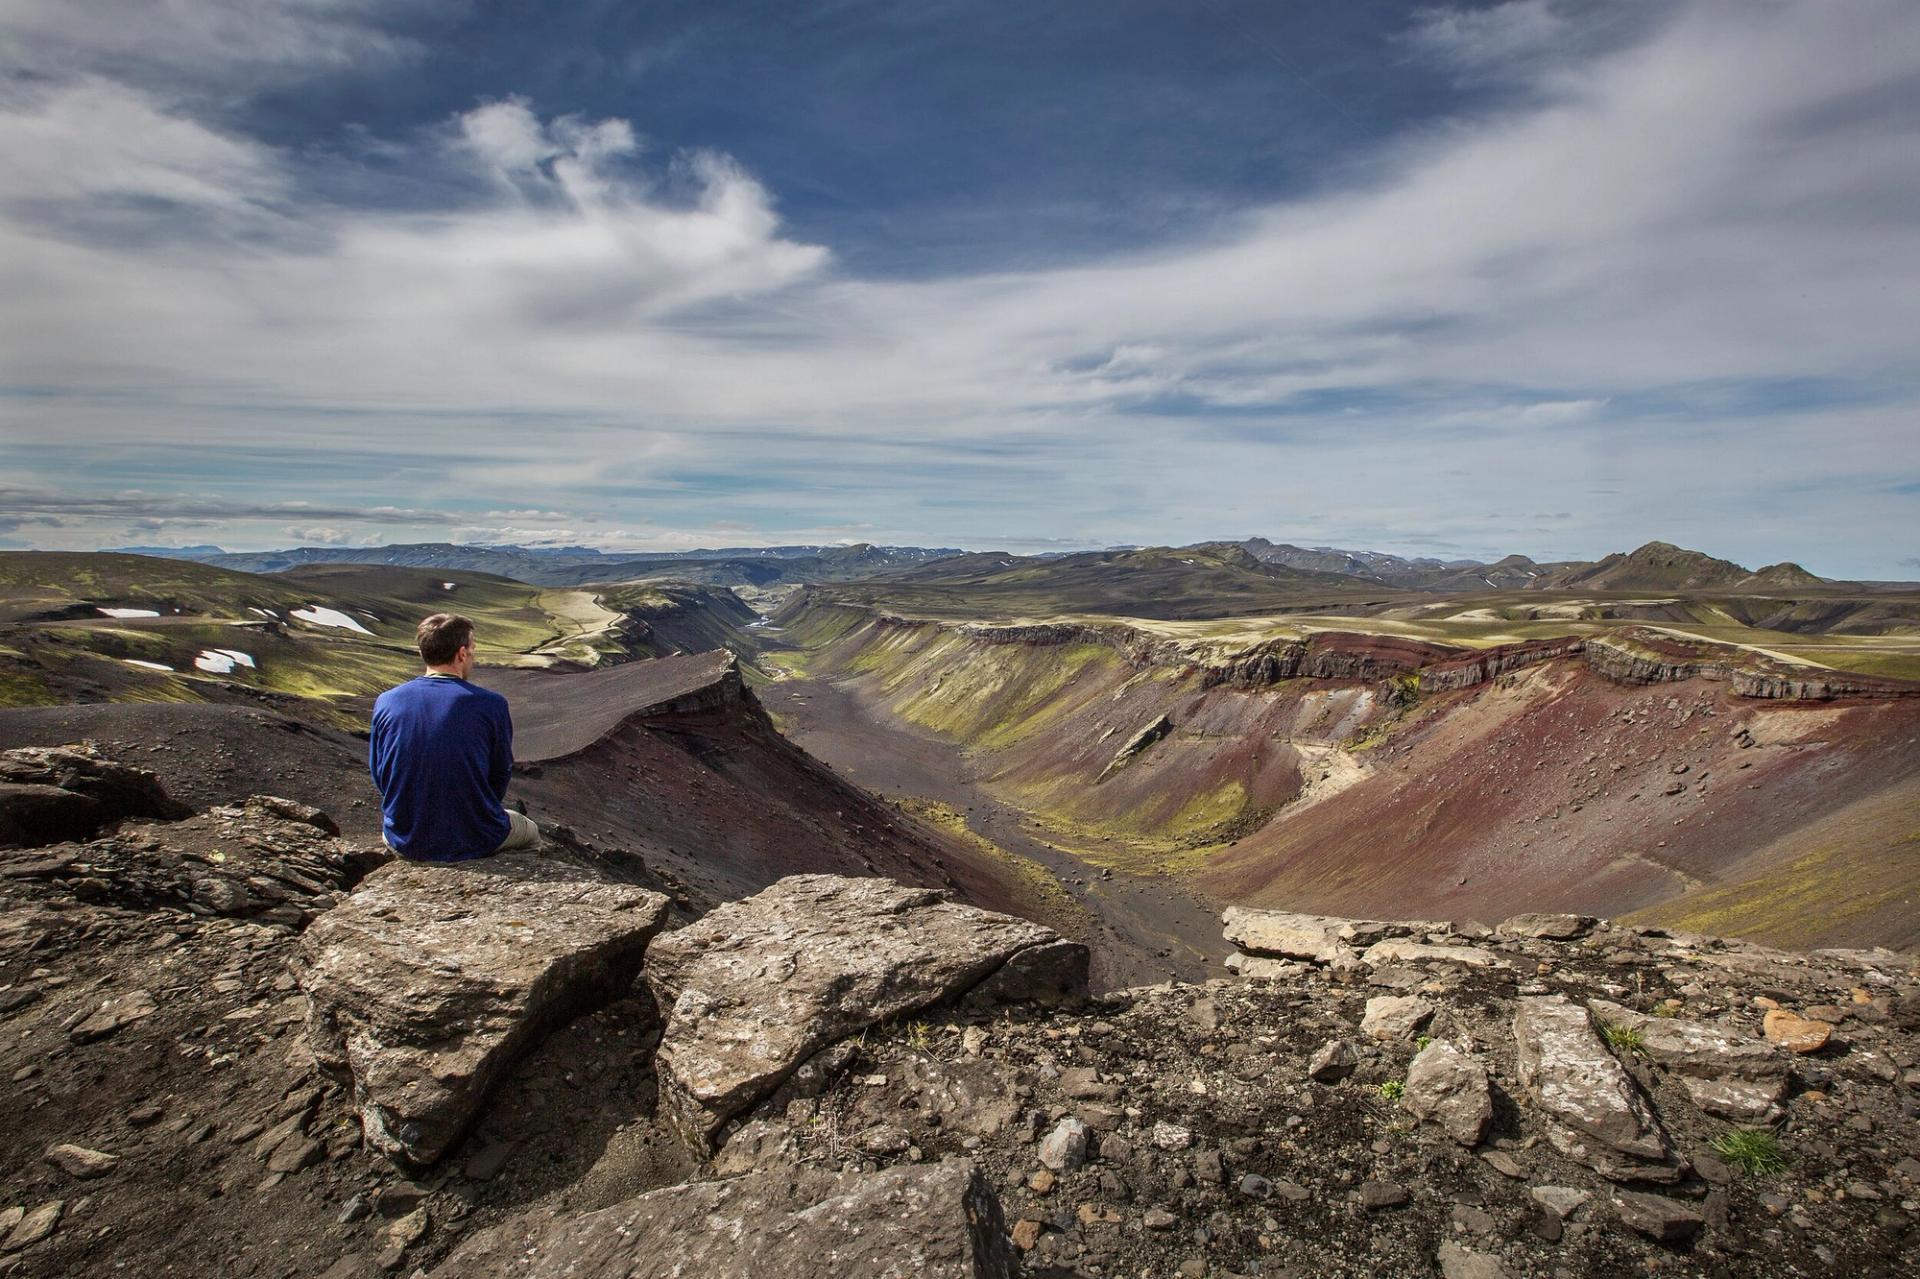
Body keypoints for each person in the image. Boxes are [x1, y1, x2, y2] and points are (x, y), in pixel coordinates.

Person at [369, 612, 540, 860]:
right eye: (472, 649)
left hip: (405, 838)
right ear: (461, 654)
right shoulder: (491, 704)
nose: (473, 656)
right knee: (531, 833)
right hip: (475, 835)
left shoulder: (386, 701)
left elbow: (379, 773)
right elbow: (499, 774)